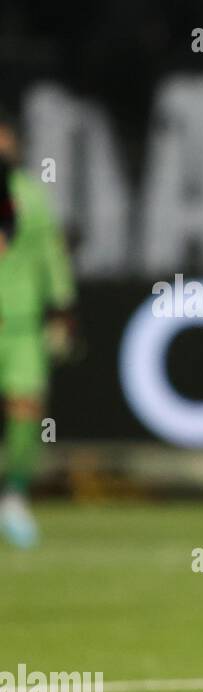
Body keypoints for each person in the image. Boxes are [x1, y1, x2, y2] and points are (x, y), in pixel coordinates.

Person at [0, 114, 77, 548]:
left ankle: (13, 497)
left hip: (22, 324)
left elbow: (51, 254)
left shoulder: (32, 196)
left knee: (26, 409)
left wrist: (63, 306)